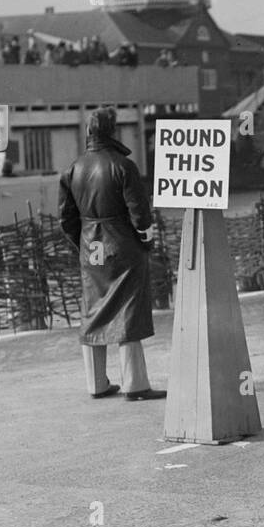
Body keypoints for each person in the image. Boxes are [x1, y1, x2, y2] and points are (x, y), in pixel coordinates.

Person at [58, 107, 165, 401]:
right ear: (112, 131)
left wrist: (82, 245)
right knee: (128, 311)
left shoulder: (73, 168)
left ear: (89, 132)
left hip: (91, 247)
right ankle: (135, 385)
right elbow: (140, 215)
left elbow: (65, 219)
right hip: (122, 245)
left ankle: (96, 384)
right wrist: (146, 240)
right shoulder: (124, 166)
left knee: (93, 311)